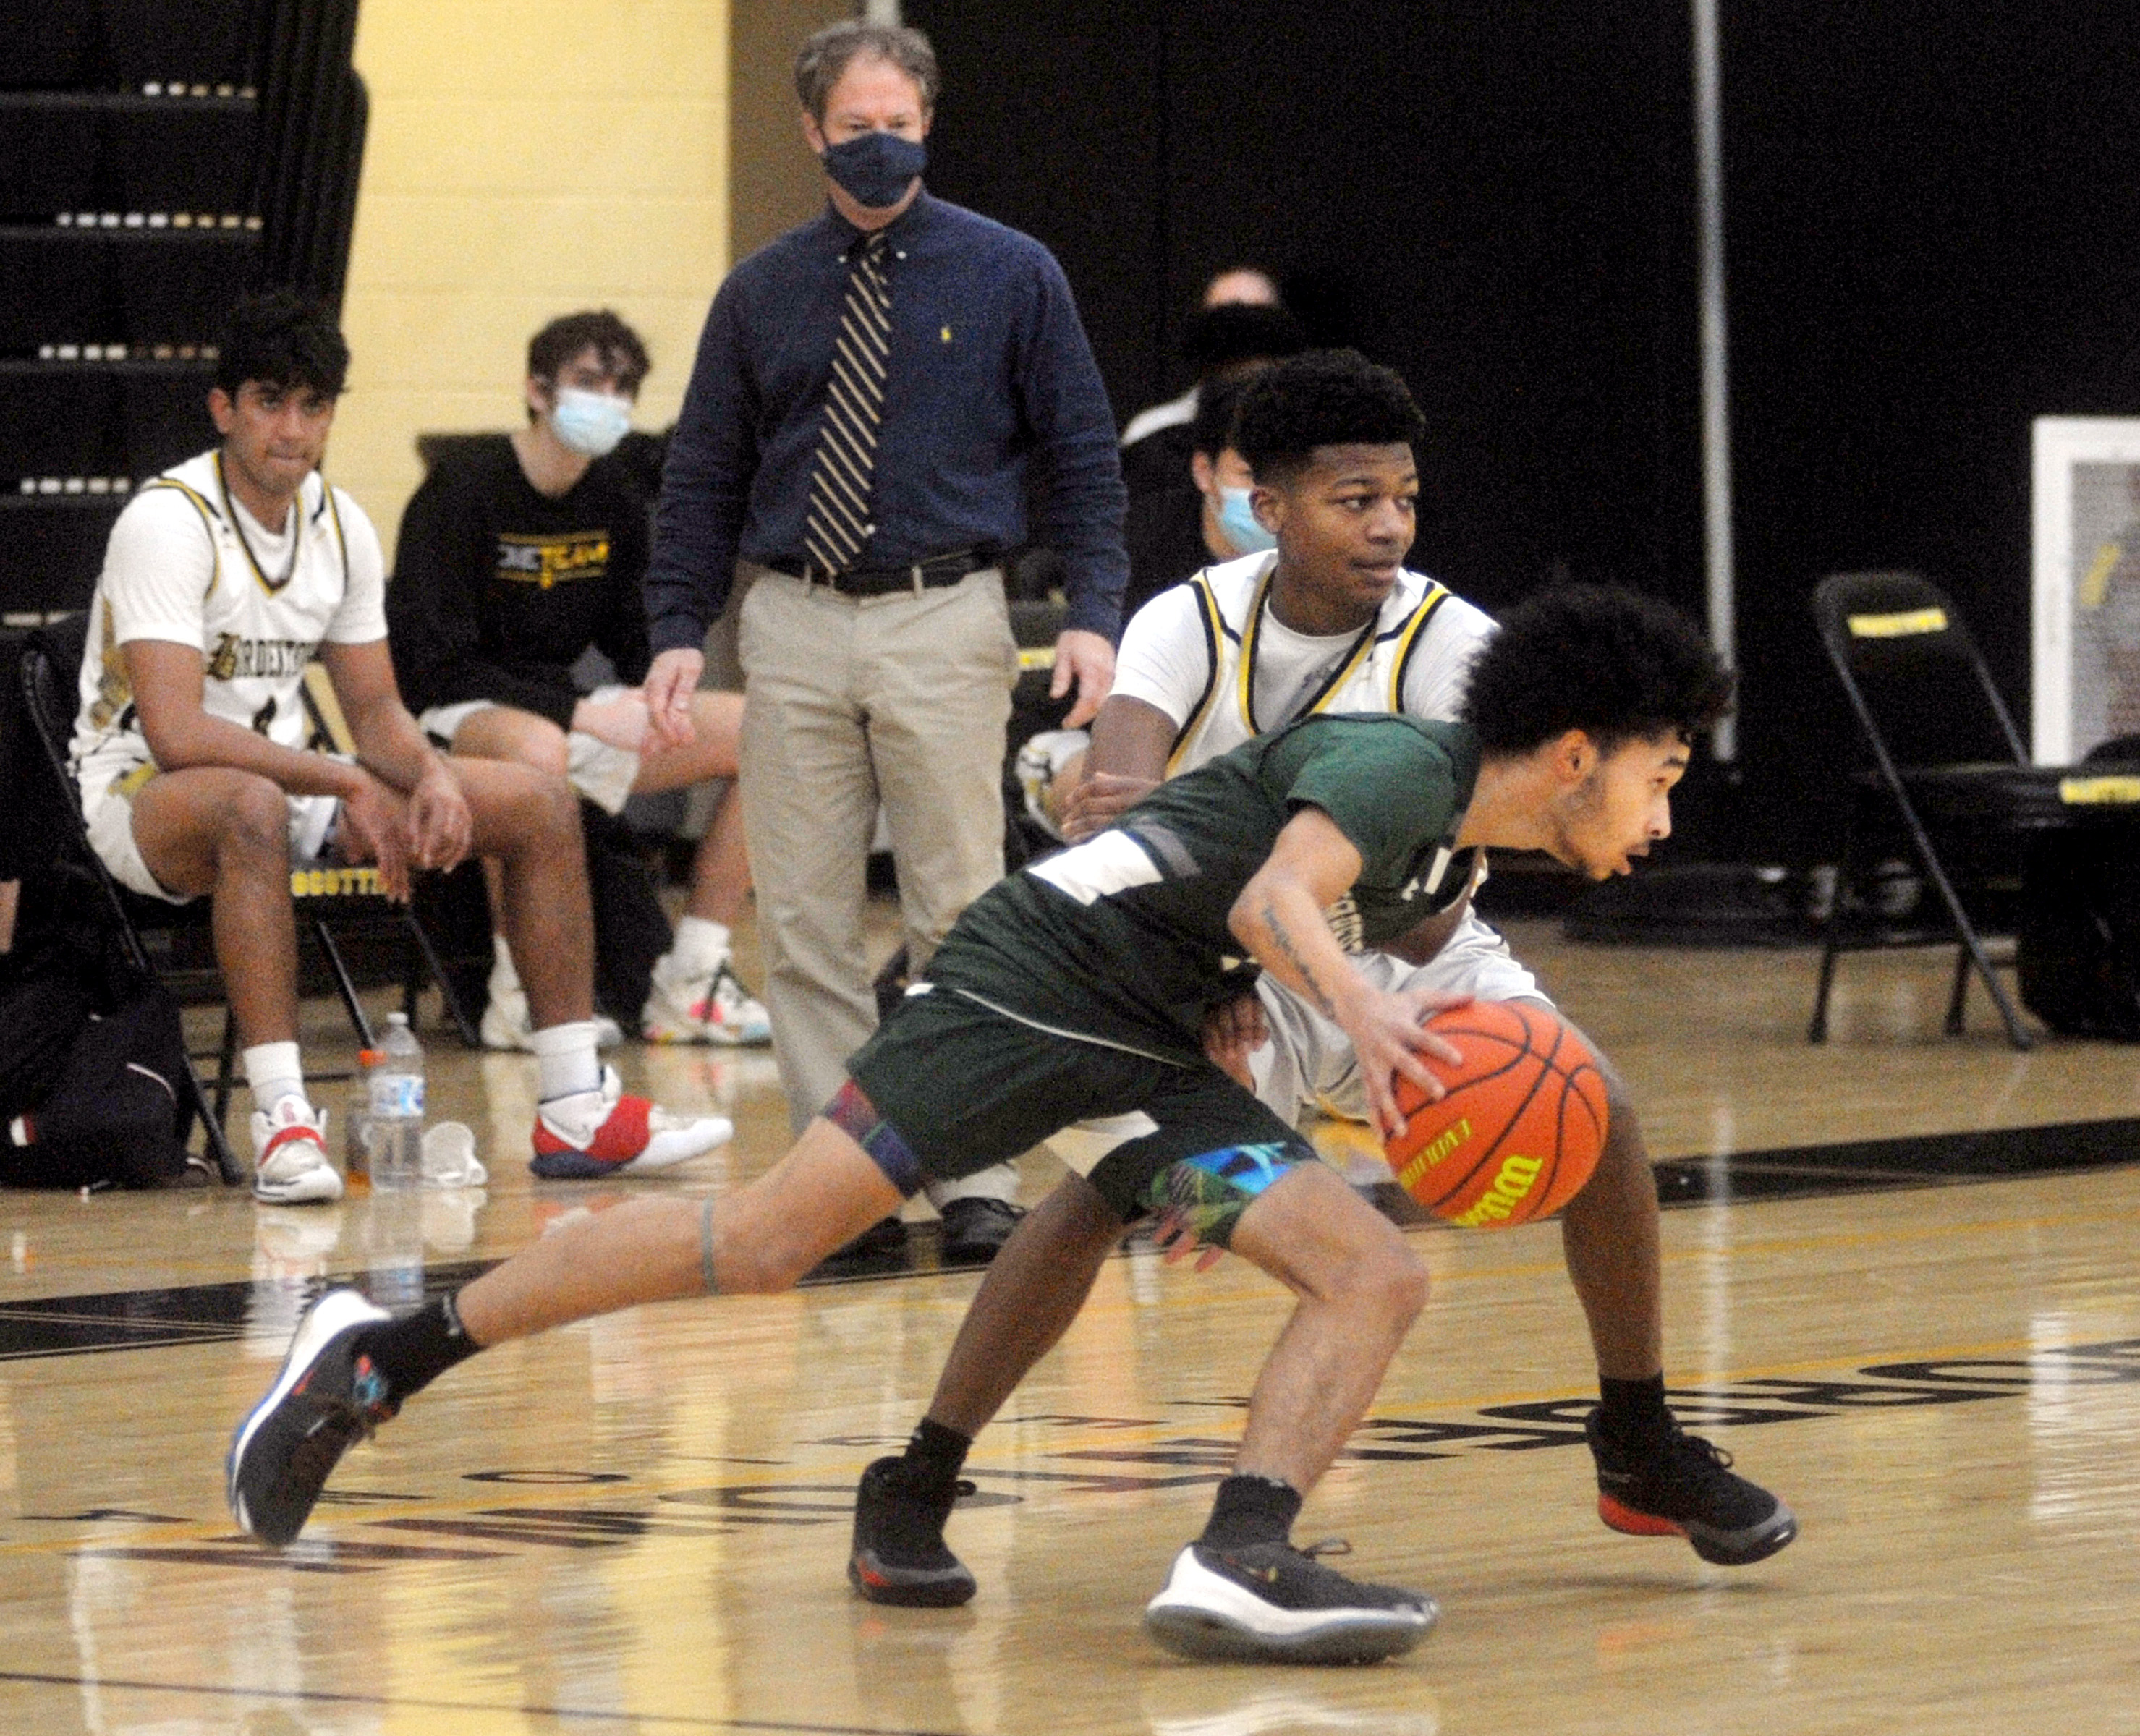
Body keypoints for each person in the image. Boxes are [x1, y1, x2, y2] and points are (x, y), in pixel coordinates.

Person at [229, 582, 1744, 1667]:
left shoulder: (1449, 861)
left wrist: (1242, 1051)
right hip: (1027, 985)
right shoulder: (1405, 767)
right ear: (1574, 754)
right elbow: (1274, 896)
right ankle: (382, 1349)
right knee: (762, 1245)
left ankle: (1242, 1553)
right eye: (1661, 778)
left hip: (1136, 1034)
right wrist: (1355, 1008)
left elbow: (1225, 897)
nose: (1666, 817)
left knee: (1370, 1271)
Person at [848, 351, 1796, 1616]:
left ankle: (1636, 1436)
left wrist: (1298, 942)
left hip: (1398, 941)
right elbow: (1116, 811)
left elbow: (1426, 897)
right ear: (1268, 504)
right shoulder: (1187, 621)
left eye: (1404, 499)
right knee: (1102, 1190)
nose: (1389, 526)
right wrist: (1211, 976)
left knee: (1598, 1110)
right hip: (1220, 947)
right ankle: (917, 1476)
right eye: (1357, 501)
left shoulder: (1455, 641)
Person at [634, 21, 1129, 1263]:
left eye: (898, 125)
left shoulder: (1012, 272)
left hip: (944, 610)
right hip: (791, 616)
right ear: (812, 131)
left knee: (957, 906)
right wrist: (678, 629)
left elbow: (1081, 453)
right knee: (802, 920)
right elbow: (701, 473)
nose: (879, 145)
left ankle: (976, 1177)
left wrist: (1094, 613)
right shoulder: (759, 291)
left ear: (928, 124)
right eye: (855, 127)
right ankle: (839, 1186)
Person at [67, 291, 732, 1199]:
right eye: (269, 402)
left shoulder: (339, 524)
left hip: (295, 784)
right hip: (139, 796)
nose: (292, 429)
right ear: (224, 409)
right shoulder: (168, 520)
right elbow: (178, 734)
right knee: (249, 804)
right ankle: (283, 1120)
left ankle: (574, 1102)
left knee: (538, 802)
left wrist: (427, 774)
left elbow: (376, 706)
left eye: (314, 406)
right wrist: (344, 781)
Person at [386, 310, 770, 1050]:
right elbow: (437, 665)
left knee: (761, 730)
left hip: (564, 712)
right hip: (457, 716)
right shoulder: (462, 488)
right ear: (538, 390)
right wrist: (583, 716)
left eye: (623, 388)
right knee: (534, 751)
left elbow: (630, 637)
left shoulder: (612, 496)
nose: (610, 401)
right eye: (590, 382)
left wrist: (658, 692)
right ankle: (519, 995)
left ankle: (692, 978)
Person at [1119, 302, 1307, 504]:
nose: (1247, 395)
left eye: (1261, 382)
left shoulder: (1307, 432)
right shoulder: (1153, 436)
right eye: (1236, 379)